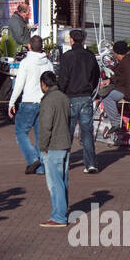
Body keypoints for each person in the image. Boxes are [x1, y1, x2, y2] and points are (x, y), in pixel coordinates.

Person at [6, 35, 54, 174]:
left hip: (29, 101)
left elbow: (19, 84)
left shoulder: (26, 62)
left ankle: (33, 159)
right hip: (44, 101)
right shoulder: (48, 63)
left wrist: (11, 102)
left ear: (29, 47)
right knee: (40, 135)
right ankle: (41, 167)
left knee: (20, 132)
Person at [56, 29, 100, 174]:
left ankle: (65, 163)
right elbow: (96, 77)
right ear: (84, 41)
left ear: (71, 40)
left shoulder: (67, 56)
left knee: (67, 132)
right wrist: (90, 90)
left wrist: (61, 92)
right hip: (86, 97)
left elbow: (63, 77)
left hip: (71, 97)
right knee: (87, 132)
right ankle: (91, 163)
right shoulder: (90, 56)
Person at [37, 71, 72, 227]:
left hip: (53, 145)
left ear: (44, 84)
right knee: (62, 181)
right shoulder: (64, 97)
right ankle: (61, 212)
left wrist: (43, 146)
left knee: (55, 183)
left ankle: (58, 216)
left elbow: (45, 126)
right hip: (65, 142)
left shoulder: (48, 100)